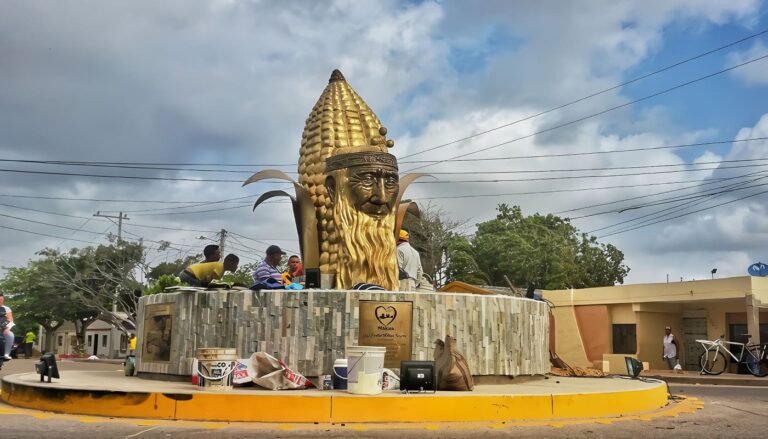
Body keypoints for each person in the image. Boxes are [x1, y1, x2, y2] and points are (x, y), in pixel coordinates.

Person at [0, 293, 15, 361]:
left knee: (11, 335)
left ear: (3, 300)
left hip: (3, 328)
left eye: (1, 299)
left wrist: (7, 328)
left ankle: (6, 354)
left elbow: (11, 320)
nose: (0, 300)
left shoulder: (7, 309)